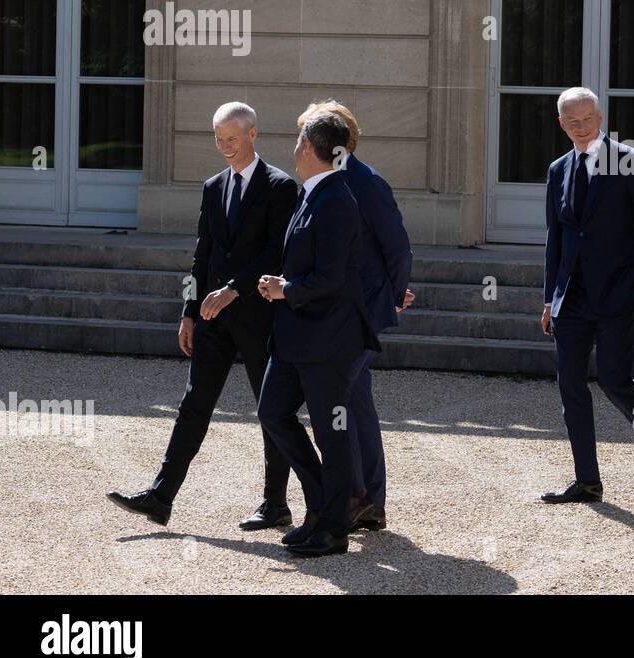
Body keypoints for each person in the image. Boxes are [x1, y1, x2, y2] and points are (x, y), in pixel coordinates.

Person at [107, 102, 296, 529]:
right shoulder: (212, 187)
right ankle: (161, 497)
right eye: (218, 138)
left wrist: (234, 290)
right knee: (193, 405)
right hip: (211, 318)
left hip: (259, 316)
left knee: (271, 410)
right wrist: (188, 313)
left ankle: (275, 504)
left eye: (232, 138)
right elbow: (202, 256)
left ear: (253, 134)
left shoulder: (281, 187)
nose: (224, 146)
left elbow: (276, 253)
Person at [256, 109, 380, 557]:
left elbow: (331, 278)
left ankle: (333, 530)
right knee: (272, 412)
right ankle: (322, 507)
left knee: (332, 432)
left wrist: (282, 289)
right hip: (294, 338)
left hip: (329, 341)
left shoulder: (337, 200)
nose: (292, 149)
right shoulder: (311, 194)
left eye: (296, 141)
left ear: (308, 146)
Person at [540, 87, 634, 503]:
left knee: (617, 383)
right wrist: (549, 299)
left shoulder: (629, 161)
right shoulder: (558, 169)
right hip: (570, 300)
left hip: (615, 295)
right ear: (562, 124)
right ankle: (587, 481)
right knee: (571, 388)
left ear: (600, 117)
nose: (581, 128)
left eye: (587, 119)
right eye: (572, 122)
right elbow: (555, 238)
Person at [299, 100, 415, 533]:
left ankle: (355, 496)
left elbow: (398, 248)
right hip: (332, 313)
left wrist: (391, 296)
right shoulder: (321, 180)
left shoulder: (366, 183)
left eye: (307, 136)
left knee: (338, 404)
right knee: (353, 403)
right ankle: (369, 498)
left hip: (358, 314)